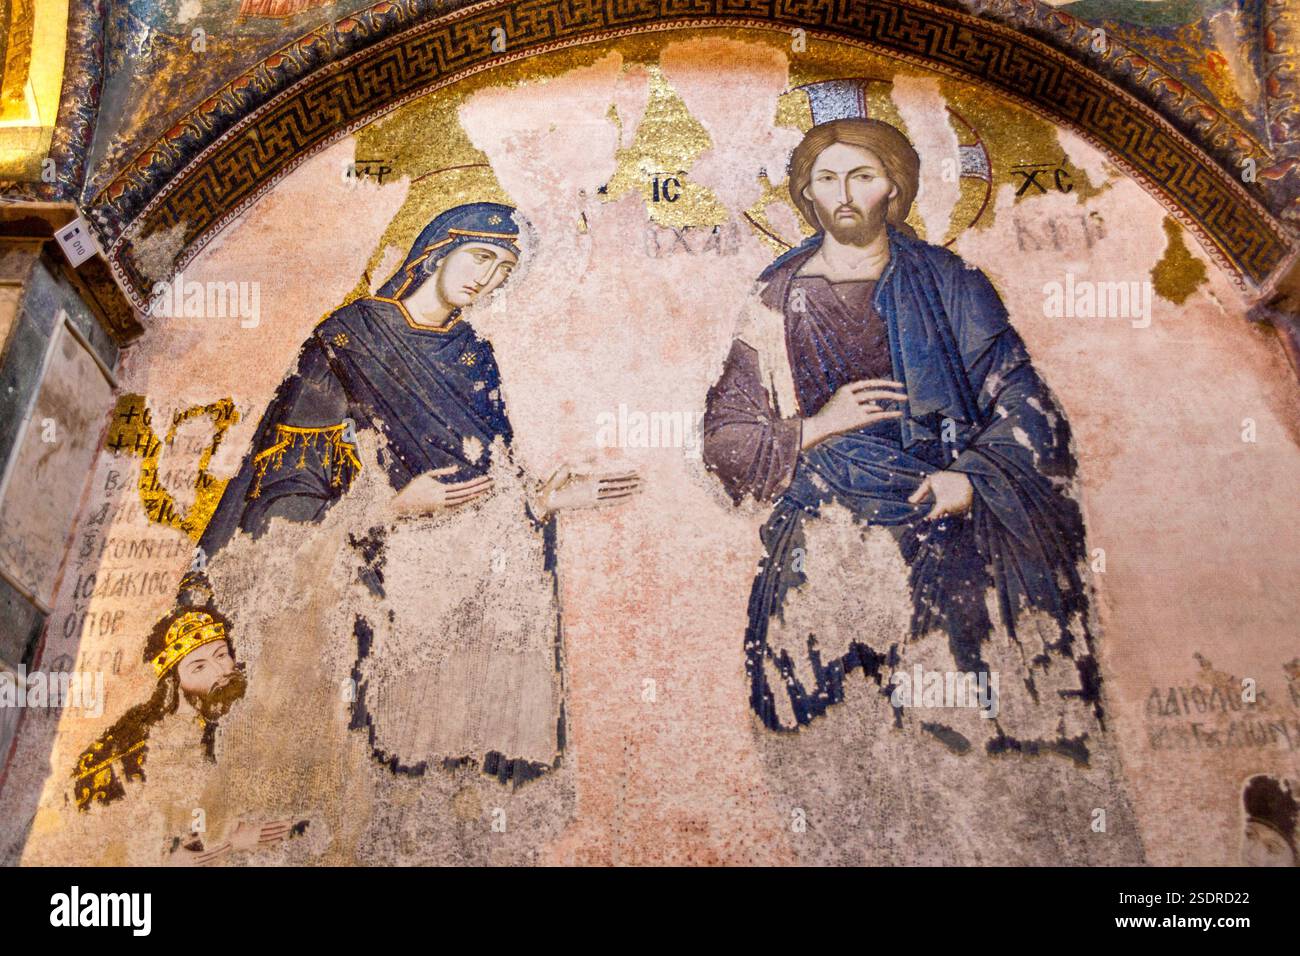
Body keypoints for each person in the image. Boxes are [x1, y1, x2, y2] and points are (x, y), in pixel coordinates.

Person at [166, 202, 639, 786]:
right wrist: (391, 509)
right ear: (437, 247)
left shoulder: (476, 356)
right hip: (390, 582)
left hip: (480, 587)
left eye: (503, 271)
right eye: (481, 257)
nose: (486, 279)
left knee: (470, 765)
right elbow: (289, 489)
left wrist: (540, 499)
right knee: (400, 758)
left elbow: (487, 483)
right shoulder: (348, 339)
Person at [703, 119, 1100, 759]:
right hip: (822, 537)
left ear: (894, 187)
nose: (844, 195)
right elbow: (724, 437)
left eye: (862, 176)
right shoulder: (772, 299)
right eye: (825, 180)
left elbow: (1026, 403)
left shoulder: (952, 282)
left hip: (942, 527)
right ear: (806, 195)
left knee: (955, 739)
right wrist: (817, 425)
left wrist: (971, 477)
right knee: (823, 746)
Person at [72, 608, 246, 810]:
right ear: (174, 684)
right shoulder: (147, 751)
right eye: (199, 667)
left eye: (221, 655)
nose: (220, 672)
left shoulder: (239, 718)